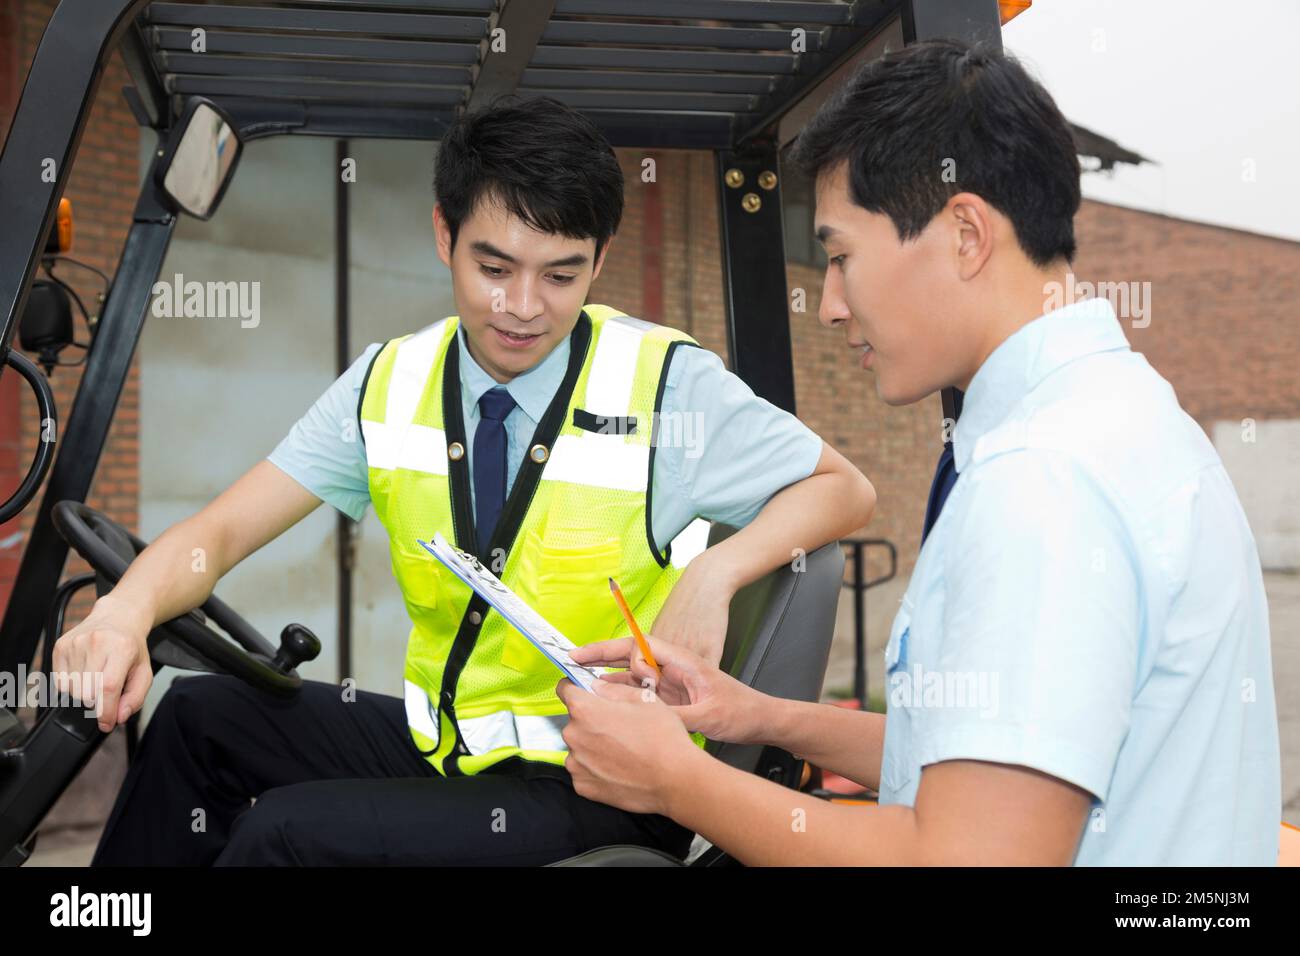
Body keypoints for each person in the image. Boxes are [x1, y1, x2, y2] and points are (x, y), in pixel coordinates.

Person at [59, 96, 877, 866]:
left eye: (561, 275)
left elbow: (844, 488)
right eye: (495, 267)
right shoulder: (390, 382)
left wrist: (715, 571)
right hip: (448, 744)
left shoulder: (663, 383)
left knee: (284, 836)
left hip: (606, 773)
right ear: (444, 235)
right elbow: (220, 535)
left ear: (601, 261)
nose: (522, 307)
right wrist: (126, 611)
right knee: (199, 718)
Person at [557, 40, 1283, 866]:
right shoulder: (1117, 420)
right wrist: (750, 715)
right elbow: (973, 752)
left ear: (966, 233)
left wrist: (671, 782)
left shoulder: (1044, 484)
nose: (829, 304)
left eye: (840, 257)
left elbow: (968, 854)